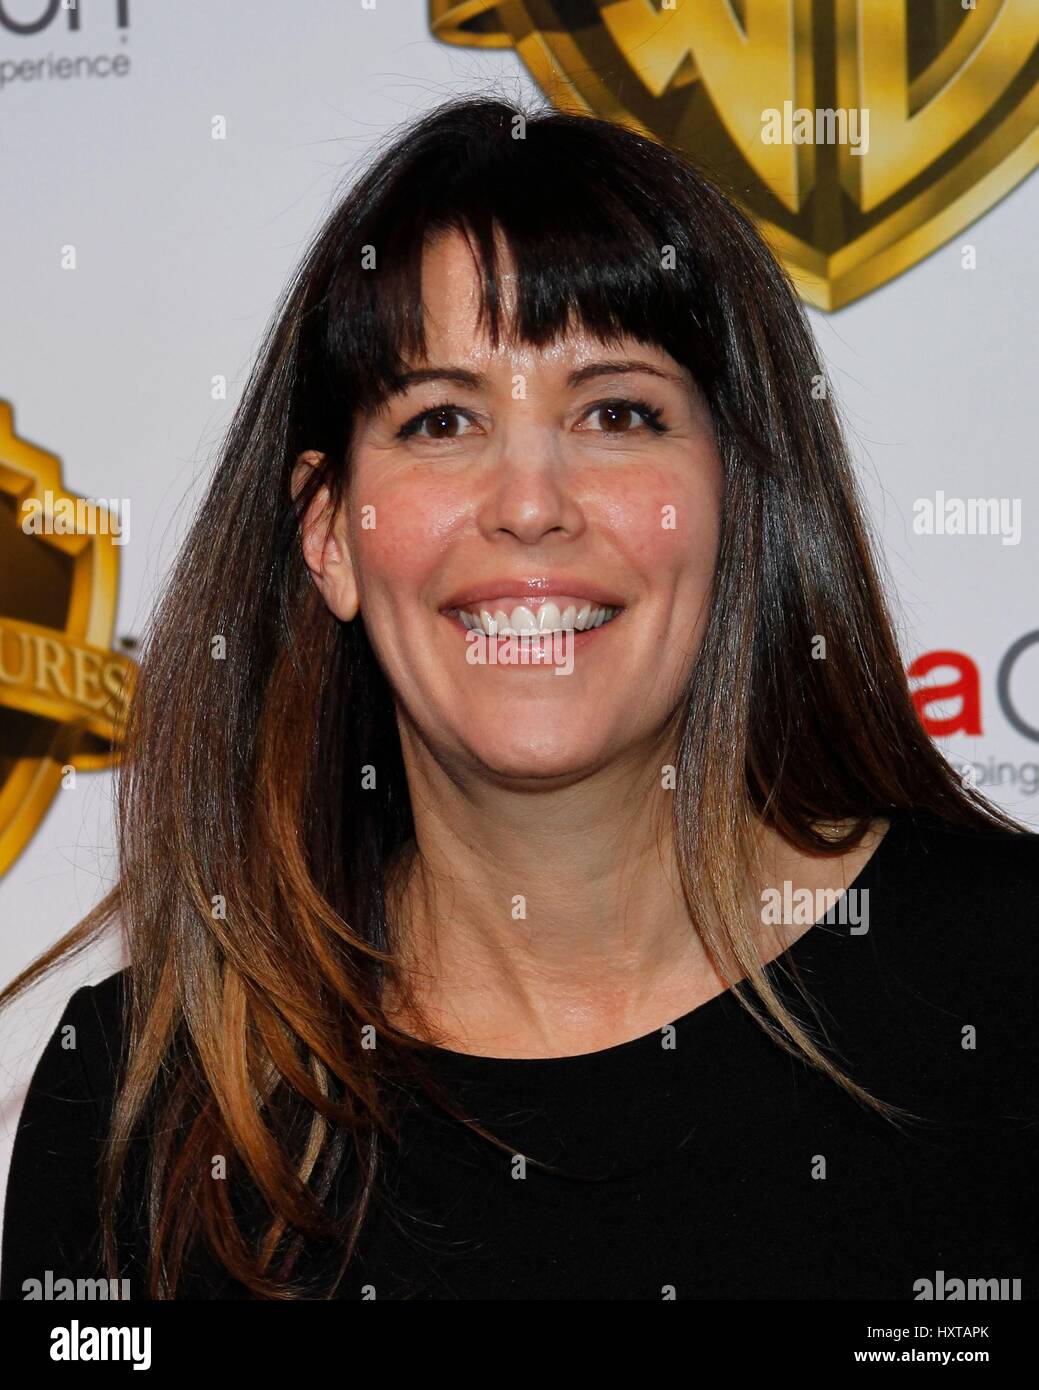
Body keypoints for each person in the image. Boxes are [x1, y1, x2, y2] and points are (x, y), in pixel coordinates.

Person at [2, 95, 1037, 1302]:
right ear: (328, 532)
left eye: (616, 412)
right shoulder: (137, 1103)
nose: (530, 501)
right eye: (441, 420)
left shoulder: (1007, 986)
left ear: (736, 505)